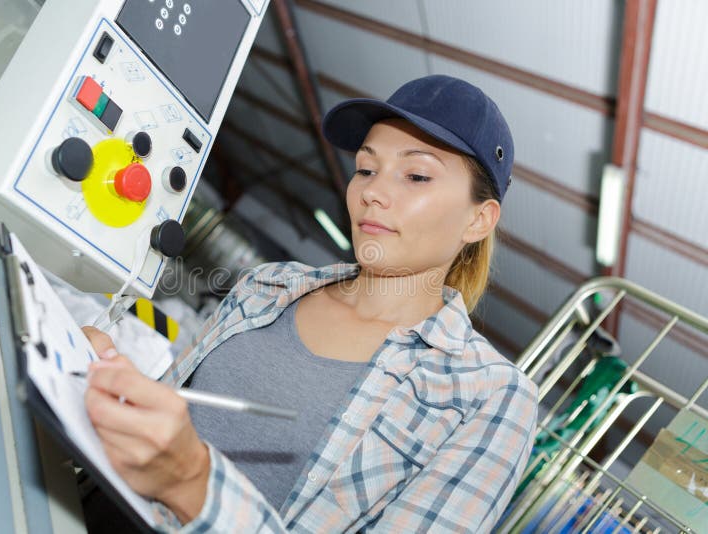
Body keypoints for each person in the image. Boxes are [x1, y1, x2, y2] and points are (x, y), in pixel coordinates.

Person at [82, 75, 538, 533]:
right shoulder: (269, 286)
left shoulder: (487, 395)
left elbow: (179, 462)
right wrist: (105, 380)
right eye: (366, 168)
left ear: (479, 219)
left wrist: (191, 485)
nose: (372, 192)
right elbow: (173, 420)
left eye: (416, 175)